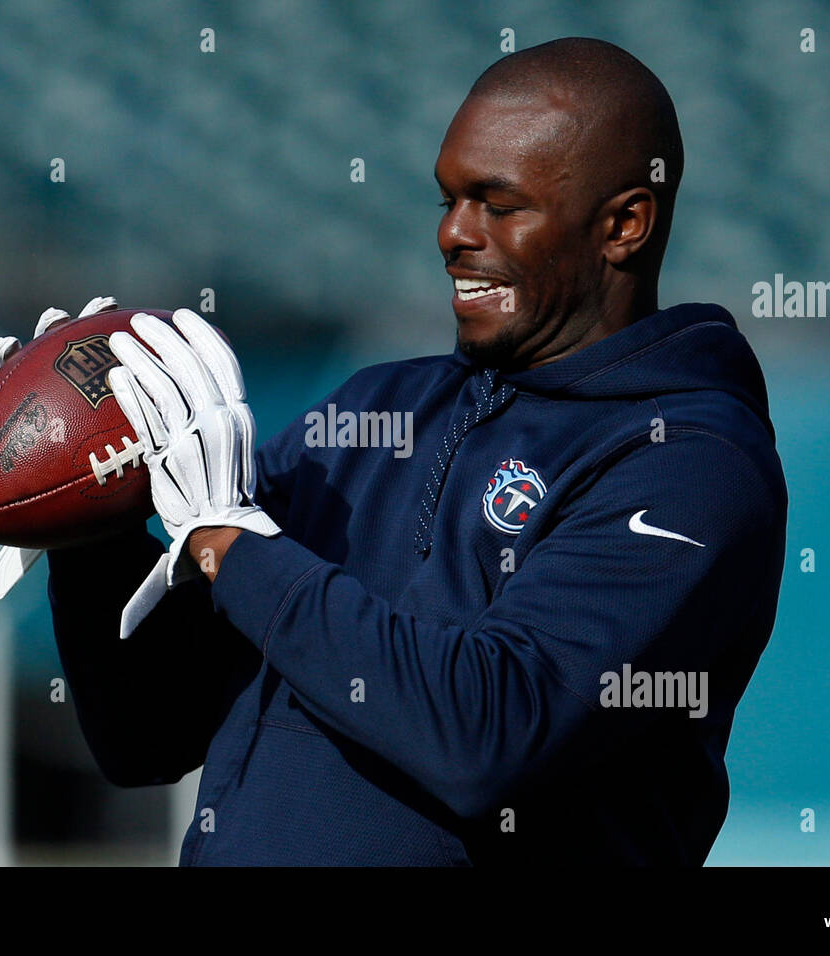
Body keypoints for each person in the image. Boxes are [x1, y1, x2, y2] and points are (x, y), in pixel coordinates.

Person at [45, 37, 788, 866]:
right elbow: (148, 738)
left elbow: (494, 733)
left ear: (623, 225)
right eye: (447, 200)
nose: (453, 234)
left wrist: (231, 546)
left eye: (498, 205)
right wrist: (87, 525)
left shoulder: (687, 461)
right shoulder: (373, 408)